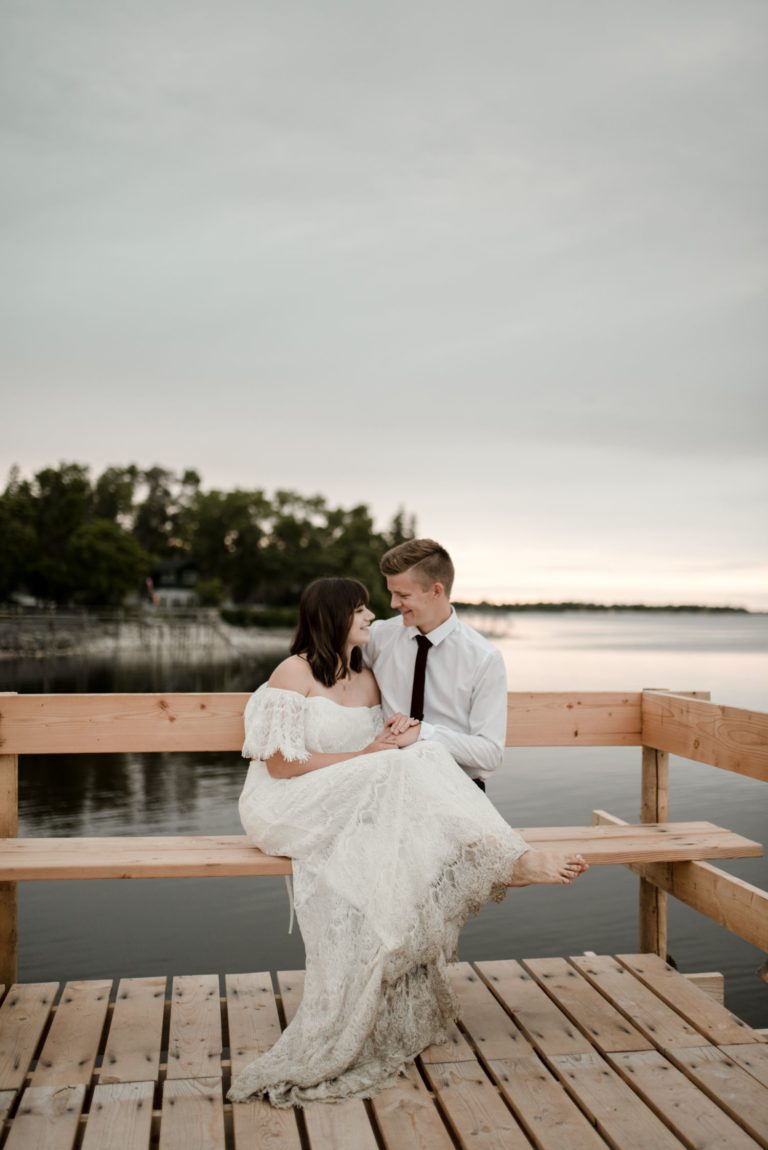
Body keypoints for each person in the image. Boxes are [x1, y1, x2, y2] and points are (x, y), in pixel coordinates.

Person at [228, 577, 587, 1108]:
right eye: (361, 609)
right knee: (404, 765)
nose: (374, 617)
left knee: (419, 754)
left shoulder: (368, 678)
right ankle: (503, 858)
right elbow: (280, 765)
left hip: (348, 797)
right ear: (333, 617)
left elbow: (382, 752)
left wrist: (390, 742)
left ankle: (499, 857)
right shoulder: (293, 672)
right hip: (286, 802)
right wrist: (371, 756)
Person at [365, 538, 506, 794]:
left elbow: (490, 754)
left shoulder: (484, 658)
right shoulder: (378, 637)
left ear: (436, 591)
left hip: (457, 790)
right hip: (388, 786)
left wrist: (423, 734)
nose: (393, 604)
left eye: (403, 595)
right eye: (391, 593)